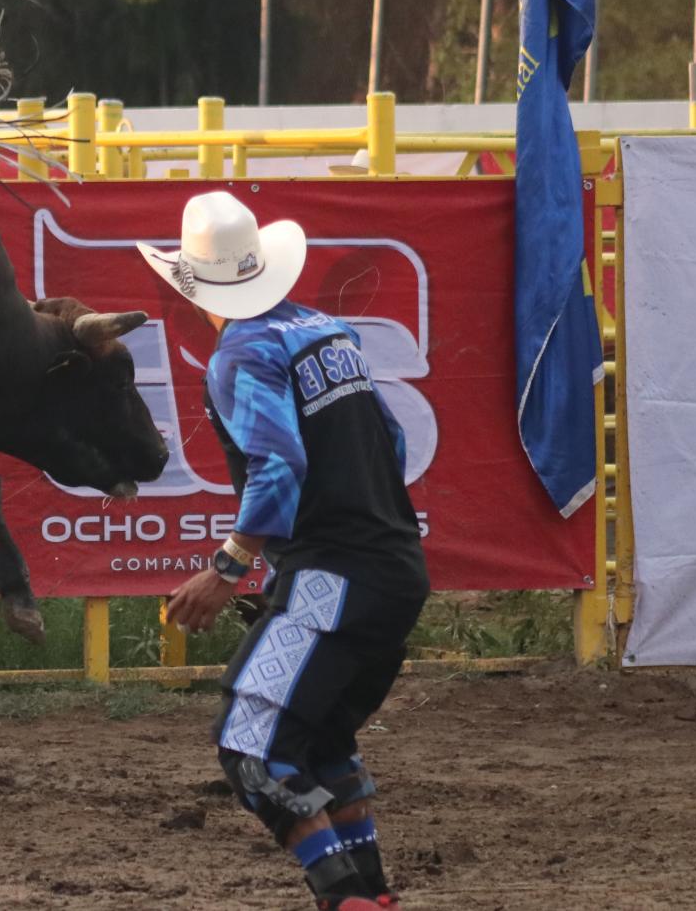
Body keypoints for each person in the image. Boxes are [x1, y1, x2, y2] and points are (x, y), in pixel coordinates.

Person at [144, 191, 428, 911]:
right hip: (394, 568)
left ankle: (345, 898)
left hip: (332, 577)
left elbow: (279, 466)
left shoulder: (241, 355)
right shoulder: (329, 333)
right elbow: (390, 440)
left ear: (192, 286)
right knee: (317, 733)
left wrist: (228, 566)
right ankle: (370, 894)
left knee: (253, 744)